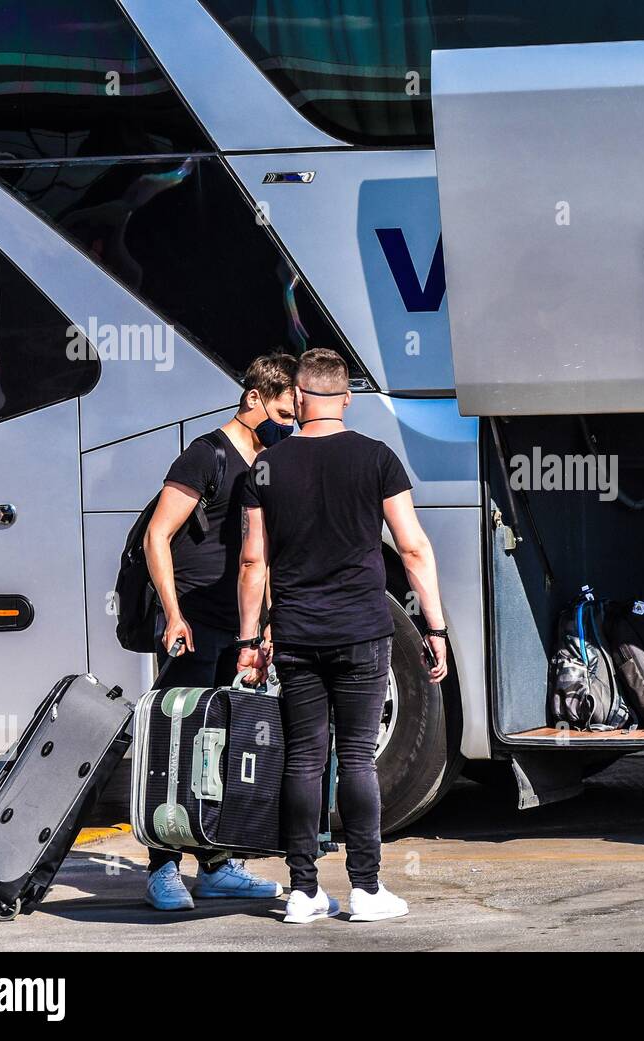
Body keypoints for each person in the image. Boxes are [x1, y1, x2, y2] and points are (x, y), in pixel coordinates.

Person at [237, 348, 448, 924]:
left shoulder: (268, 466)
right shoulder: (377, 458)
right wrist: (435, 627)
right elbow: (412, 547)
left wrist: (249, 640)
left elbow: (254, 562)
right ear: (348, 397)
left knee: (303, 757)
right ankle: (366, 889)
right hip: (361, 631)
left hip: (298, 634)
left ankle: (302, 890)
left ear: (299, 398)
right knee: (355, 757)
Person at [141, 352, 299, 909]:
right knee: (176, 742)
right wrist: (174, 613)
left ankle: (214, 864)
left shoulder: (268, 465)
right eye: (283, 412)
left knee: (223, 747)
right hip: (195, 623)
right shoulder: (205, 454)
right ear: (254, 399)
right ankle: (162, 868)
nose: (290, 424)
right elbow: (157, 536)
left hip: (240, 628)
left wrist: (268, 626)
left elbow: (265, 555)